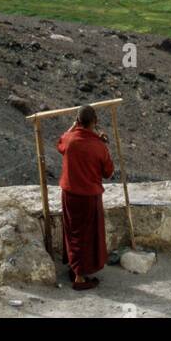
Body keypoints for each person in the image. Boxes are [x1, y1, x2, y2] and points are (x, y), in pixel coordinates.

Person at [56, 105, 114, 291]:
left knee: (73, 232)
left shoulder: (70, 139)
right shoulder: (99, 146)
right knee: (86, 235)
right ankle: (80, 278)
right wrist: (104, 145)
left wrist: (73, 127)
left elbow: (60, 142)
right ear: (94, 122)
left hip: (70, 194)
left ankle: (74, 268)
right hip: (89, 196)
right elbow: (108, 172)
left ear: (77, 121)